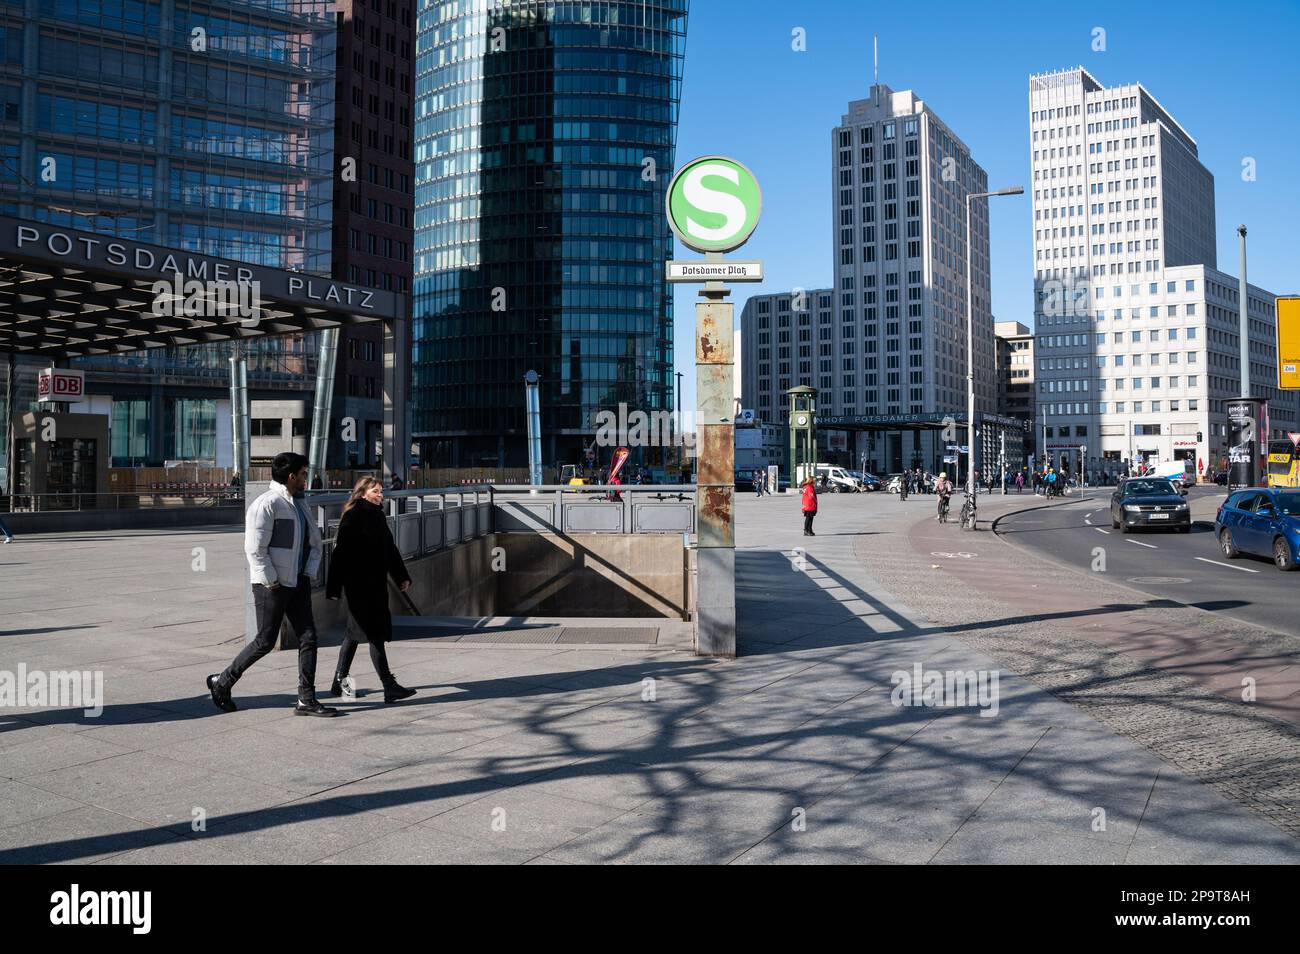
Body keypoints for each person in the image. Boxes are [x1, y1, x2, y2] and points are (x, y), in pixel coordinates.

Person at [207, 452, 336, 717]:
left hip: (297, 582)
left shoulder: (299, 503)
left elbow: (313, 542)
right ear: (291, 476)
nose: (306, 479)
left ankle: (306, 699)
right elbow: (255, 549)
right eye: (303, 474)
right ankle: (222, 682)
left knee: (309, 637)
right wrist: (272, 581)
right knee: (265, 641)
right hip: (272, 586)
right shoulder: (266, 504)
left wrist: (307, 573)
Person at [327, 477, 417, 704]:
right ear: (363, 493)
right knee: (374, 634)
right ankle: (389, 685)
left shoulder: (376, 514)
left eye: (381, 491)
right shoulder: (354, 515)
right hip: (359, 586)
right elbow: (340, 554)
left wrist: (401, 576)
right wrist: (334, 587)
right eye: (376, 491)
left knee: (353, 634)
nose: (381, 495)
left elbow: (389, 548)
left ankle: (339, 682)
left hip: (375, 584)